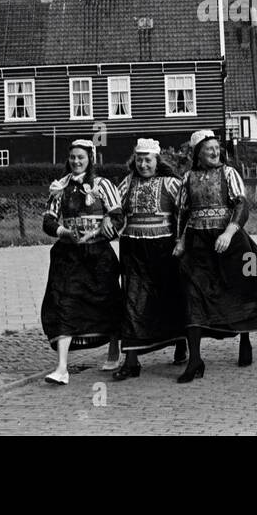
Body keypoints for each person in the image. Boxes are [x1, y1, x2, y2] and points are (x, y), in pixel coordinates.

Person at [173, 130, 257, 383]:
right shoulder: (188, 178)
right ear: (197, 154)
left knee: (242, 286)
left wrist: (228, 232)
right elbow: (183, 211)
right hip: (198, 244)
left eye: (217, 148)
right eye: (208, 149)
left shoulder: (228, 173)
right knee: (193, 294)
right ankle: (195, 359)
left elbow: (241, 205)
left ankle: (245, 337)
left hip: (231, 241)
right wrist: (180, 240)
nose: (215, 152)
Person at [40, 139, 124, 385]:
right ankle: (62, 367)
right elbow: (48, 221)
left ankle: (114, 351)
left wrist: (105, 226)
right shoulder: (60, 186)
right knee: (63, 302)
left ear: (90, 159)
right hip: (68, 255)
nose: (76, 162)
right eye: (73, 157)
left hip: (98, 254)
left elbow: (118, 216)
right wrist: (64, 232)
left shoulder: (102, 185)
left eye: (81, 157)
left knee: (107, 301)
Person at [106, 138, 188, 381]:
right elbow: (115, 209)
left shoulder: (172, 184)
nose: (143, 164)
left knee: (169, 297)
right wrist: (108, 221)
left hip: (164, 249)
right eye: (139, 160)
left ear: (157, 160)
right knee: (131, 300)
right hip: (133, 248)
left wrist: (181, 242)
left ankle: (180, 341)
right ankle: (131, 361)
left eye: (148, 160)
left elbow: (184, 212)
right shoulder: (127, 183)